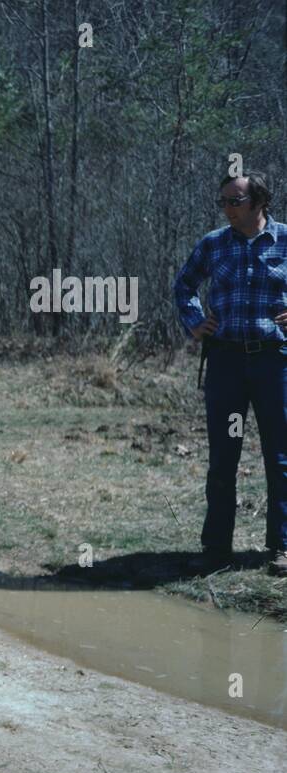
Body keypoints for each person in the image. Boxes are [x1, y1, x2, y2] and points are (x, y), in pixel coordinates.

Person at [174, 171, 287, 576]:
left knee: (281, 456)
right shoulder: (214, 244)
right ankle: (216, 549)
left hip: (275, 363)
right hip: (225, 363)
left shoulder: (286, 240)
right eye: (222, 200)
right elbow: (184, 284)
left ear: (259, 203)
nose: (226, 208)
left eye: (234, 201)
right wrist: (193, 320)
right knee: (224, 457)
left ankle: (282, 548)